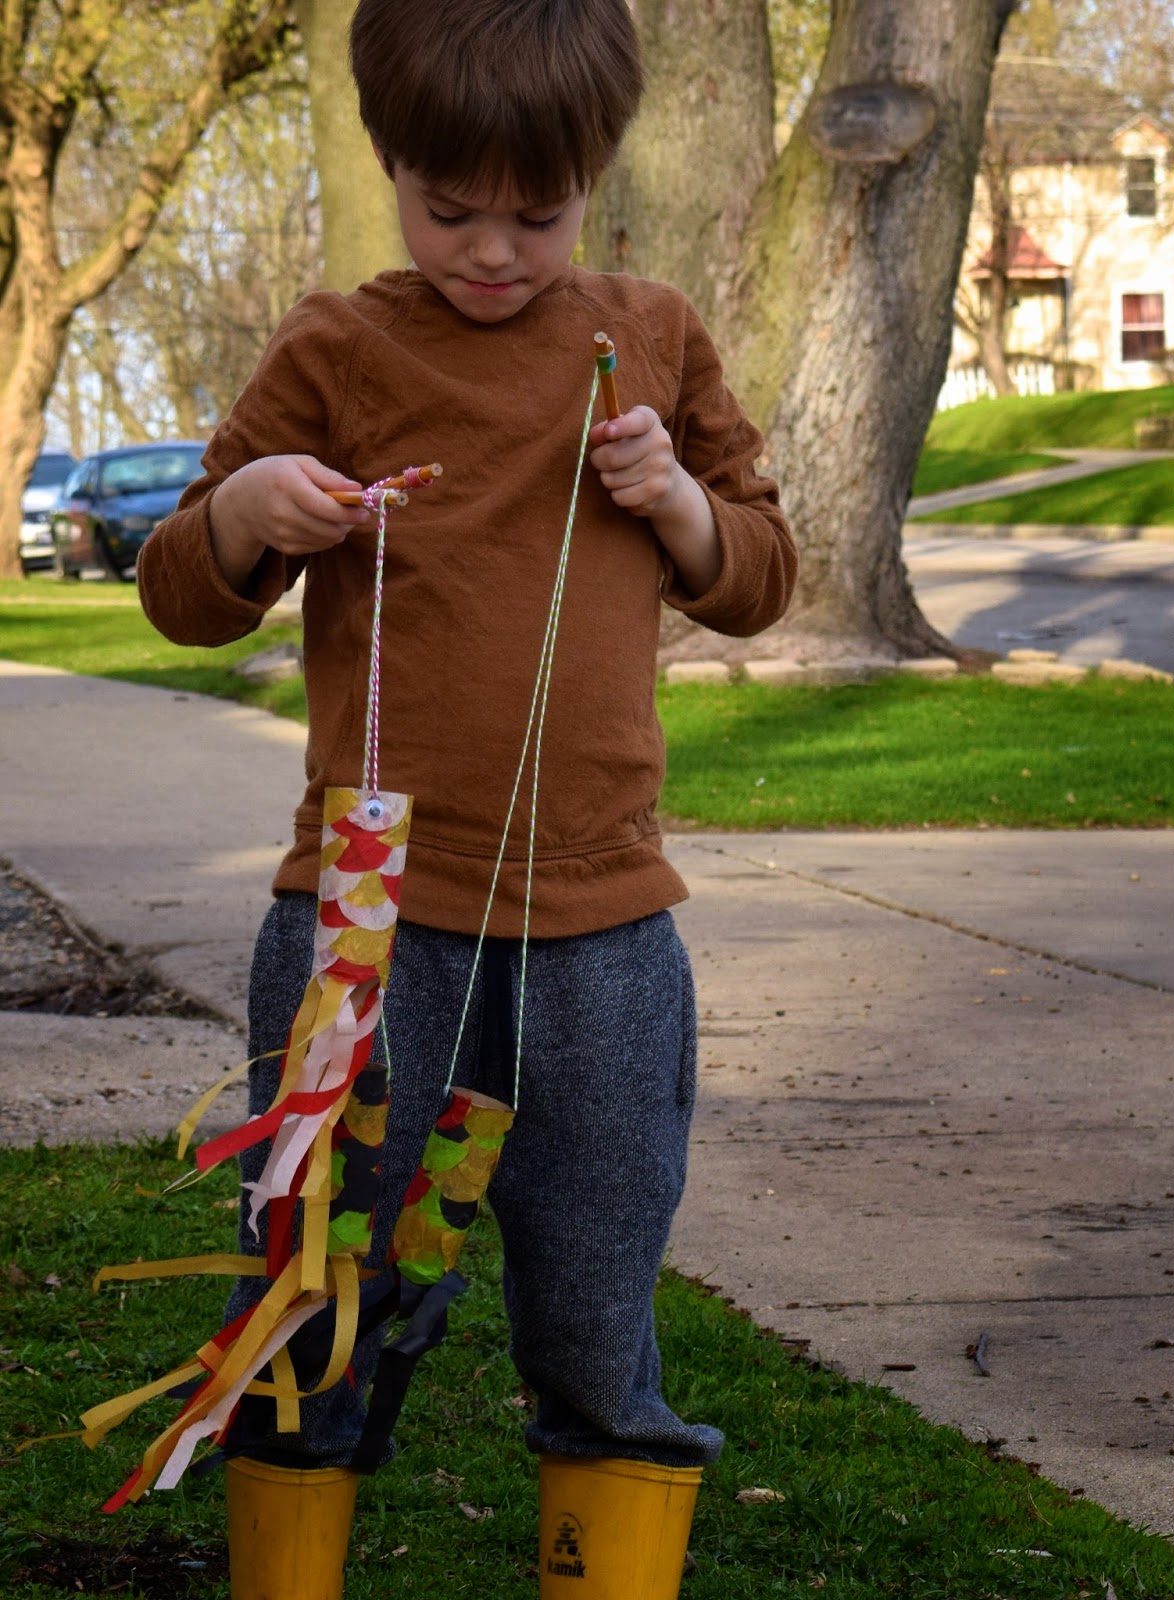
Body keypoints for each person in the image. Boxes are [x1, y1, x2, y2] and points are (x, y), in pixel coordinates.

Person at [137, 1, 796, 1595]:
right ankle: (293, 1531)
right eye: (450, 210)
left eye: (537, 210)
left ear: (597, 172)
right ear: (390, 163)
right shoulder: (335, 347)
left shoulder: (647, 334)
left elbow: (763, 577)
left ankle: (606, 1525)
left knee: (590, 1293)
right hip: (372, 930)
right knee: (325, 1286)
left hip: (603, 931)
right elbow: (181, 596)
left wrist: (683, 509)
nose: (493, 250)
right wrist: (241, 510)